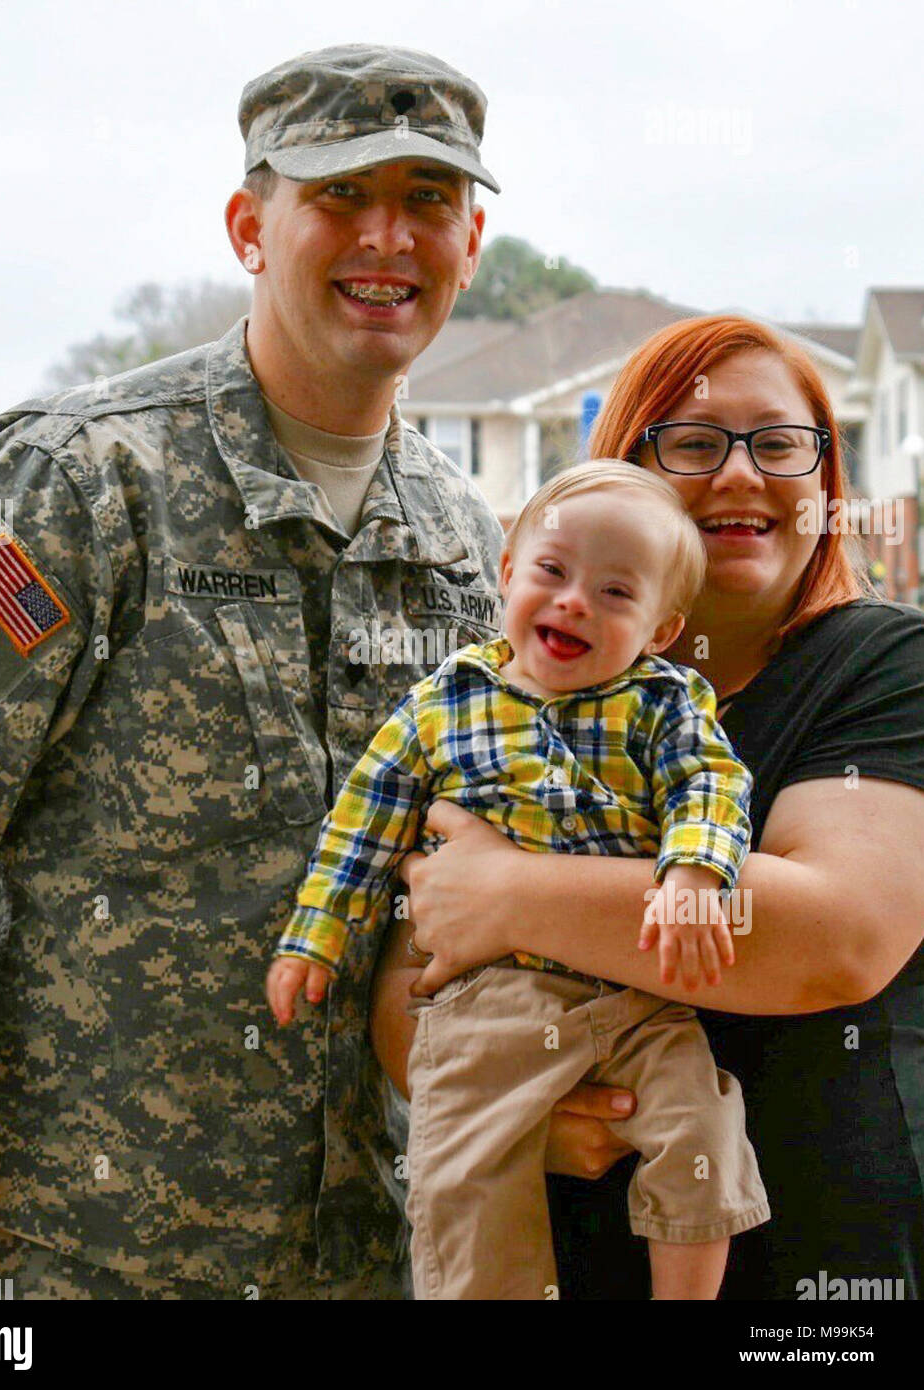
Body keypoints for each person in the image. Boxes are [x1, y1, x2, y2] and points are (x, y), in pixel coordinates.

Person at [0, 43, 505, 1300]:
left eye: (426, 201)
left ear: (470, 243)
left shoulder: (464, 541)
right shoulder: (77, 482)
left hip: (360, 1238)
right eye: (338, 195)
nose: (386, 236)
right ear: (249, 227)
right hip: (65, 1240)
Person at [370, 315, 924, 1301]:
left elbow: (832, 934)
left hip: (815, 1266)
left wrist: (507, 892)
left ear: (823, 477)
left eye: (779, 442)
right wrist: (491, 1093)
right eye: (693, 442)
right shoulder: (505, 694)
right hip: (560, 1251)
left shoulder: (884, 666)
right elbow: (409, 965)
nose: (742, 475)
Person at [268, 460, 772, 1300]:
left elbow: (710, 784)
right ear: (507, 574)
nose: (575, 601)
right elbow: (361, 823)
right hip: (489, 1000)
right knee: (466, 1178)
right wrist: (314, 937)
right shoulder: (442, 705)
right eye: (552, 572)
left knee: (705, 1134)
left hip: (636, 987)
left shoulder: (663, 702)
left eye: (616, 594)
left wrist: (691, 874)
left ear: (659, 628)